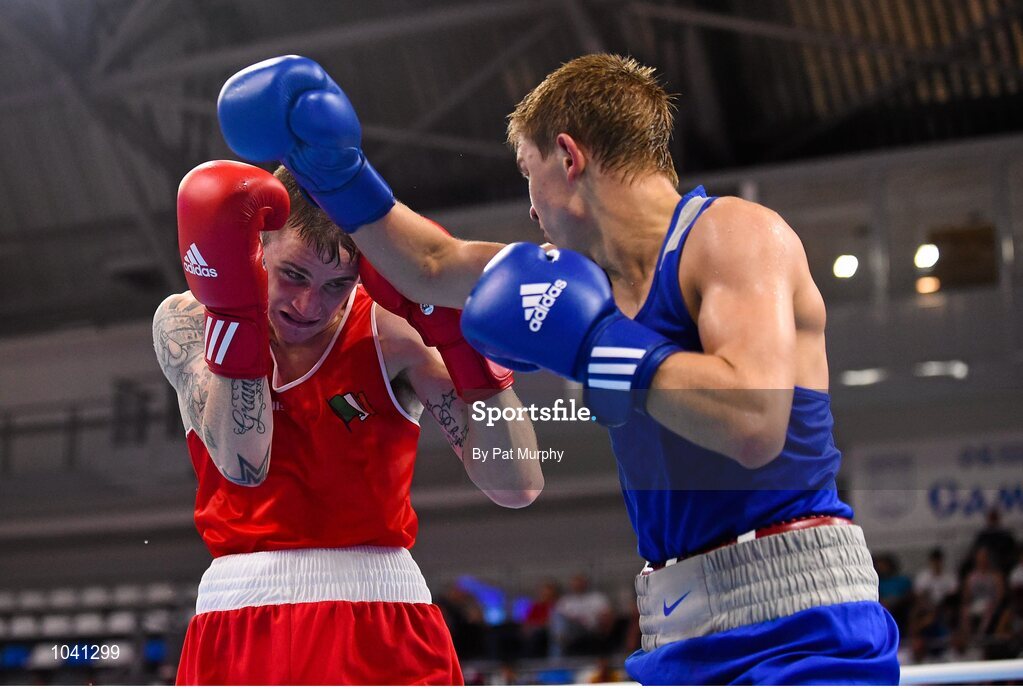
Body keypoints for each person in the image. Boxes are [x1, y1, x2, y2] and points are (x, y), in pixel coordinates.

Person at [217, 53, 899, 684]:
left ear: (568, 156)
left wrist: (596, 343)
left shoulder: (731, 234)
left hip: (799, 619)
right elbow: (426, 263)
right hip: (676, 622)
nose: (530, 206)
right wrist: (335, 172)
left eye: (527, 171)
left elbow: (754, 422)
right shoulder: (581, 276)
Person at [153, 160, 542, 684]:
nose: (310, 304)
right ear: (257, 246)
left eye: (338, 284)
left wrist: (462, 346)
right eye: (293, 274)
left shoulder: (391, 331)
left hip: (380, 609)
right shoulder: (188, 319)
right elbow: (243, 463)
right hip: (240, 609)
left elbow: (517, 485)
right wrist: (235, 314)